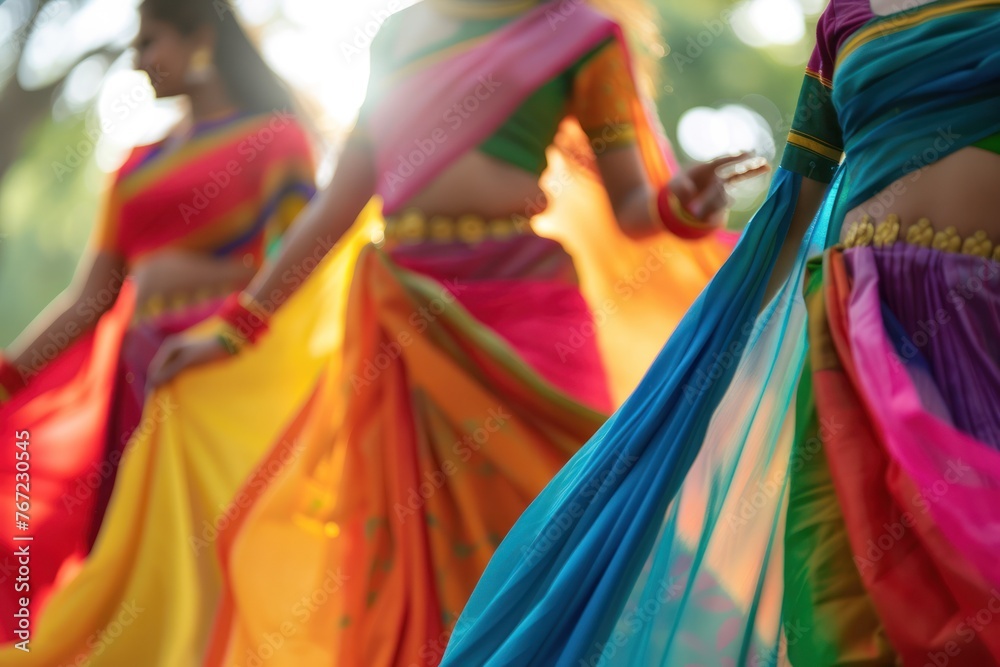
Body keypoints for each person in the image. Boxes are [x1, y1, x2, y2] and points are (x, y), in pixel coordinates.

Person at [0, 0, 766, 664]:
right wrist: (235, 332)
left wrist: (682, 206)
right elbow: (341, 203)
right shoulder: (399, 34)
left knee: (575, 518)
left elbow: (635, 204)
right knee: (415, 560)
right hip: (402, 316)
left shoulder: (580, 33)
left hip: (525, 310)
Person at [440, 0, 1000, 665]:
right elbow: (794, 214)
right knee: (858, 610)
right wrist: (689, 385)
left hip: (982, 318)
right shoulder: (845, 16)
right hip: (857, 332)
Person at [0, 0, 315, 645]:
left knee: (213, 547)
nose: (140, 62)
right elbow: (88, 300)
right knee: (124, 543)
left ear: (203, 37)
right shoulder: (135, 165)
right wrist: (9, 374)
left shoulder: (275, 141)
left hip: (223, 375)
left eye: (152, 42)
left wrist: (231, 335)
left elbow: (302, 267)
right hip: (139, 375)